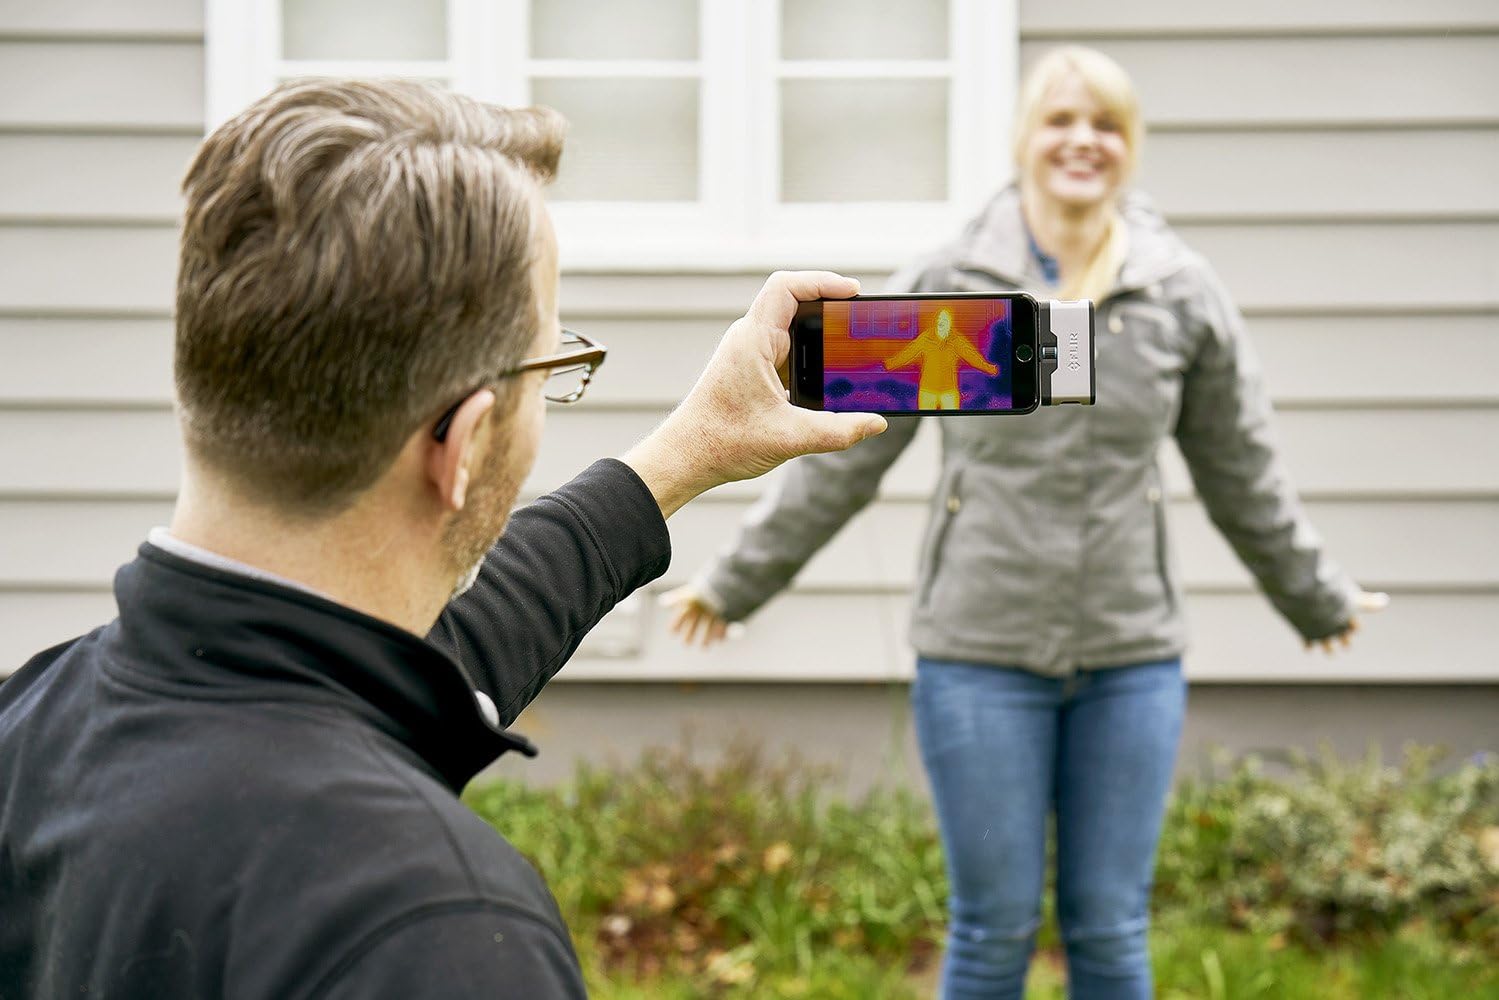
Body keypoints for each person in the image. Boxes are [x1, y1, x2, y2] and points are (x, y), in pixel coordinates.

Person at [0, 79, 885, 998]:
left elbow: (411, 664)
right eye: (555, 366)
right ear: (461, 444)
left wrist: (682, 457)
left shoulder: (31, 730)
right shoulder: (439, 933)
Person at [665, 46, 1386, 999]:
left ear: (1129, 148)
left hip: (1130, 657)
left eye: (1105, 125)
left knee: (1111, 931)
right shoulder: (948, 282)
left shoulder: (1179, 295)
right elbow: (847, 453)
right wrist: (735, 579)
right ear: (1022, 140)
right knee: (991, 931)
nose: (1081, 142)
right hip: (977, 654)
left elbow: (1240, 470)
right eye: (1060, 120)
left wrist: (1315, 595)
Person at [883, 307, 999, 410]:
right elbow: (908, 353)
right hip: (927, 392)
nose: (941, 321)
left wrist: (990, 368)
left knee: (953, 421)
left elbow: (972, 356)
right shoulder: (926, 338)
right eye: (939, 318)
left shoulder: (956, 340)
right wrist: (889, 364)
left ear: (950, 322)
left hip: (949, 393)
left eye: (945, 318)